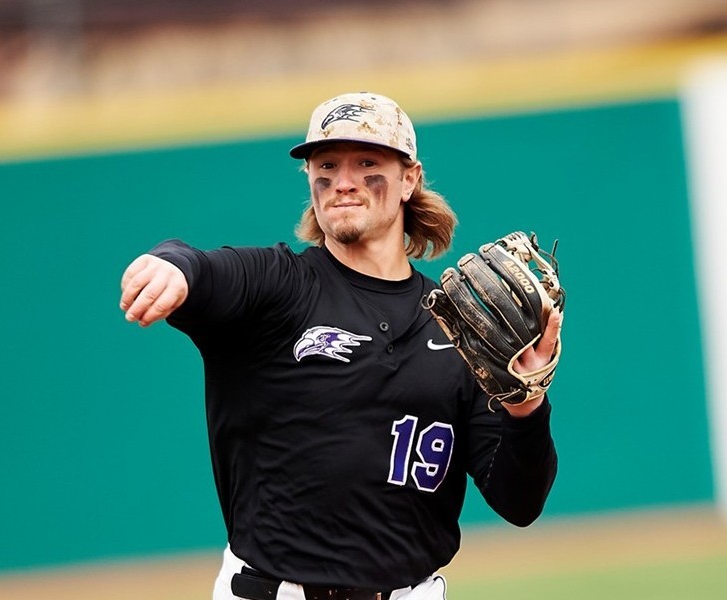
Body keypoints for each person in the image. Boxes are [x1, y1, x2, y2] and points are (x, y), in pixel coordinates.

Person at [119, 92, 561, 600]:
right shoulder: (278, 286)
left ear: (409, 179)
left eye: (366, 162)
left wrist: (526, 408)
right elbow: (200, 265)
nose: (343, 181)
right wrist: (171, 264)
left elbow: (519, 502)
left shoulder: (459, 329)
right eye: (326, 165)